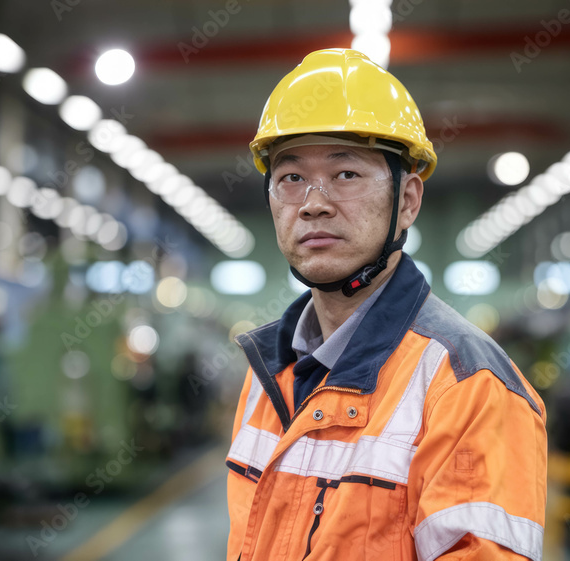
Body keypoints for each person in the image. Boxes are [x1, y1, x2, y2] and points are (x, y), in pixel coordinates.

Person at [225, 48, 547, 561]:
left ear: (408, 202)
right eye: (291, 178)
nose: (313, 202)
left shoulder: (468, 386)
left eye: (345, 174)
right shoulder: (269, 373)